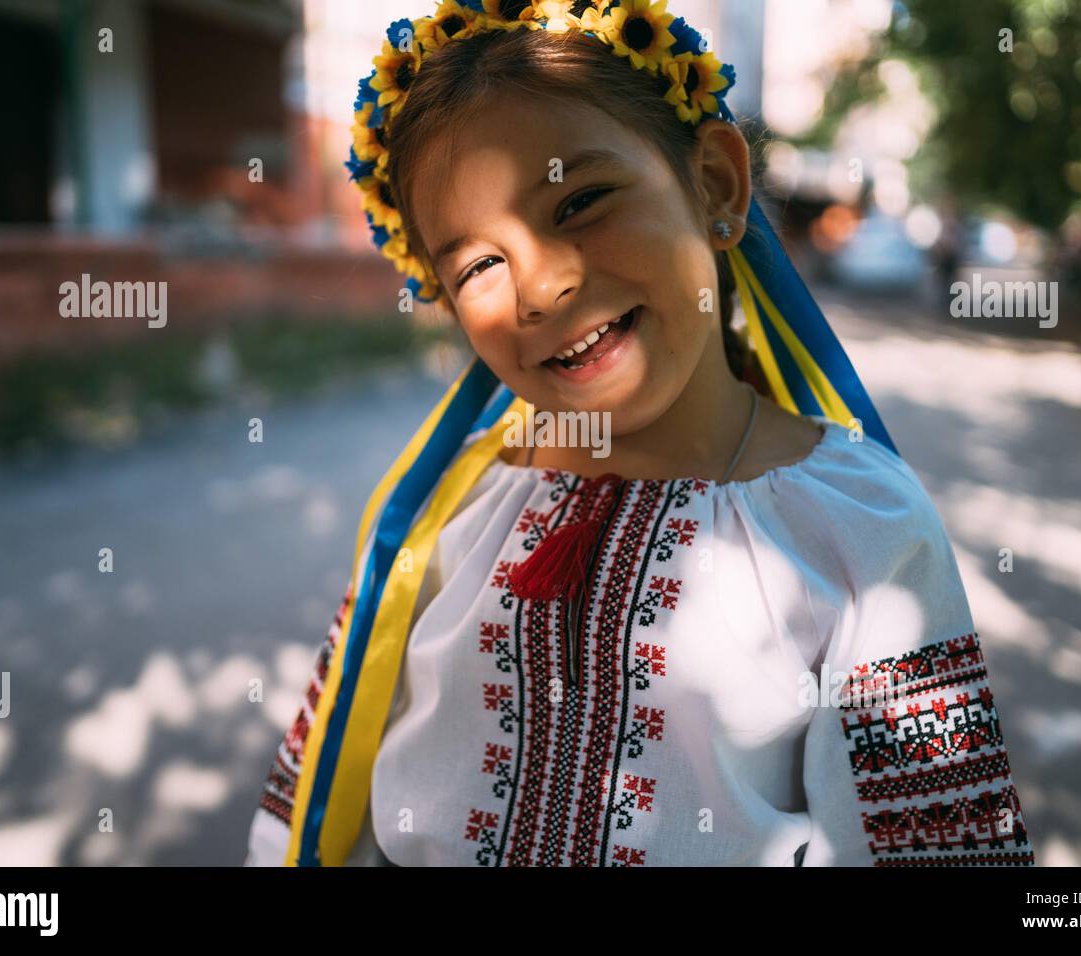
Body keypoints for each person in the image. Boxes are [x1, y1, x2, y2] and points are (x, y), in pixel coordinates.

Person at [245, 0, 1034, 867]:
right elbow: (329, 806)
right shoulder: (443, 514)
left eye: (580, 200)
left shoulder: (863, 533)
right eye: (476, 264)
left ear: (715, 189)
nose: (537, 288)